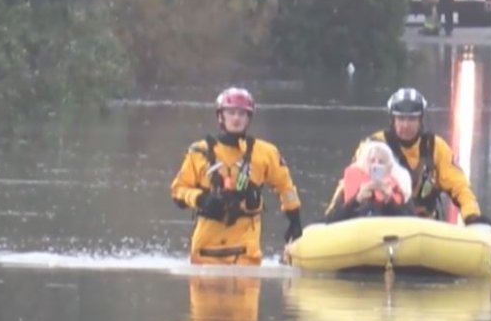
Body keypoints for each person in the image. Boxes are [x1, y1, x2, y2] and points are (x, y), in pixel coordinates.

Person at [170, 87, 303, 265]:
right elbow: (178, 190)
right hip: (205, 252)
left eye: (242, 114)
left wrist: (294, 220)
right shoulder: (198, 153)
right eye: (231, 113)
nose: (236, 118)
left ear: (249, 118)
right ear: (220, 117)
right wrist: (200, 199)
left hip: (246, 253)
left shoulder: (266, 153)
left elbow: (285, 187)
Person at [347, 87, 491, 226]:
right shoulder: (374, 145)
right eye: (401, 118)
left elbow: (459, 187)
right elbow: (347, 185)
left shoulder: (436, 146)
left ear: (420, 120)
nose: (405, 125)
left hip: (424, 226)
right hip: (381, 221)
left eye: (411, 119)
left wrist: (472, 216)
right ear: (392, 119)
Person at [322, 140, 413, 223]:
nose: (376, 165)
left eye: (381, 162)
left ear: (389, 169)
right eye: (372, 161)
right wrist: (356, 200)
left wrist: (389, 202)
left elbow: (411, 222)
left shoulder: (399, 190)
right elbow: (330, 220)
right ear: (365, 164)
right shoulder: (348, 188)